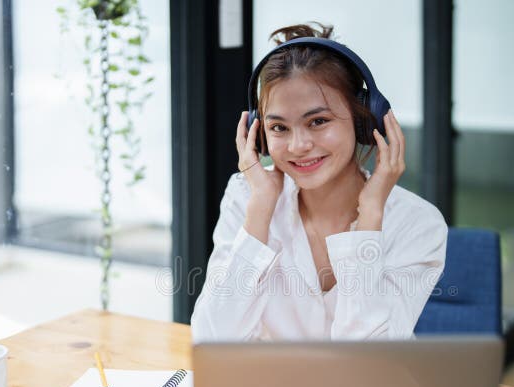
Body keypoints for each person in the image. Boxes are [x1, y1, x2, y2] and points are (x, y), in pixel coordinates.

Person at [191, 22, 447, 341]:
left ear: (363, 120)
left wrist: (369, 219)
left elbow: (370, 362)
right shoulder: (247, 196)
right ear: (258, 134)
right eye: (279, 128)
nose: (298, 146)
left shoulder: (416, 223)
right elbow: (211, 342)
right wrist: (260, 211)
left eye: (318, 121)